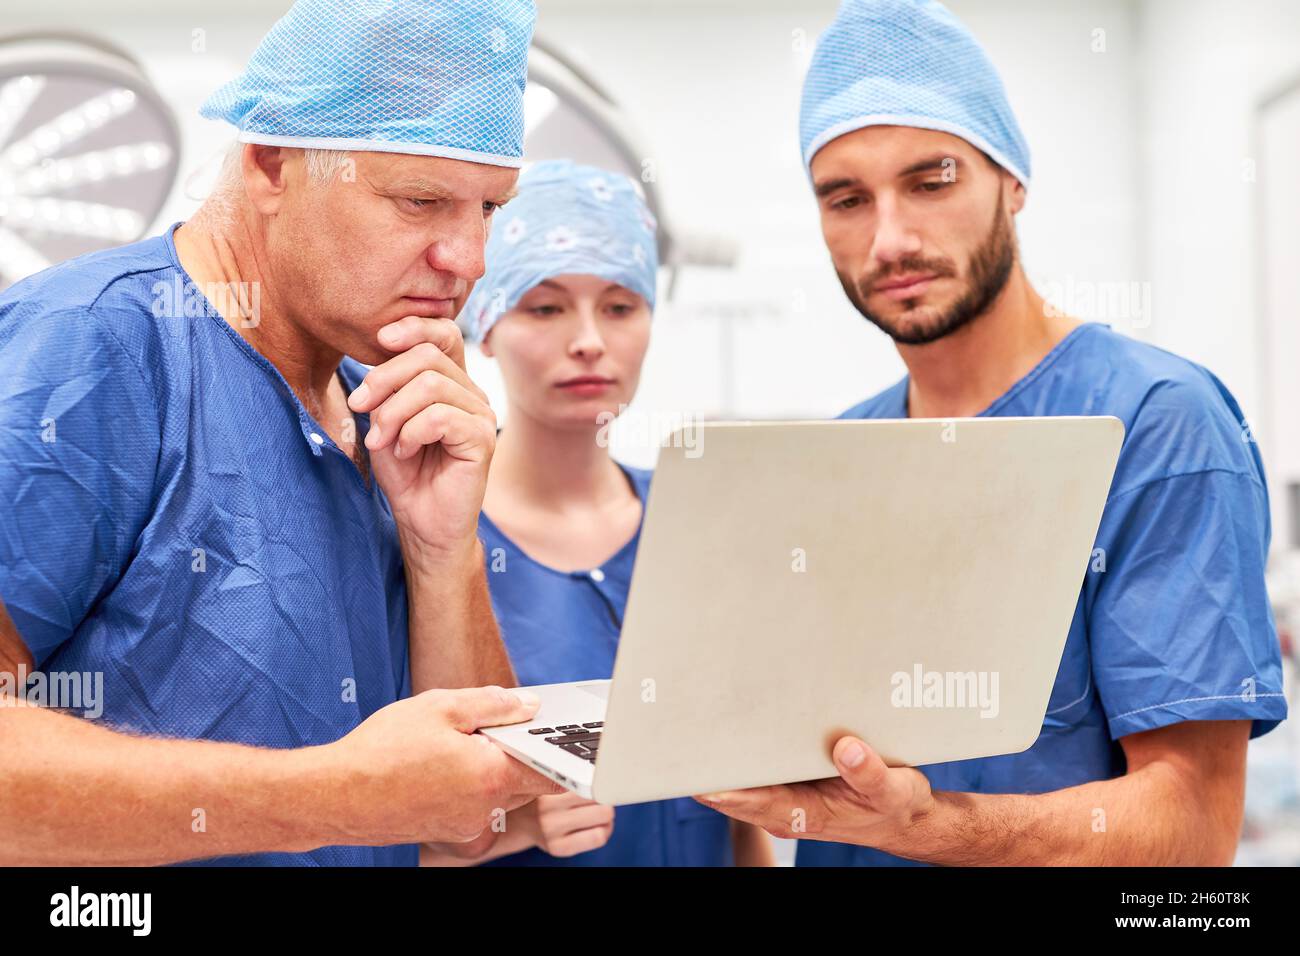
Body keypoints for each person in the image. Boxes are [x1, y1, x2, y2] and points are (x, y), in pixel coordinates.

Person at [696, 0, 1288, 865]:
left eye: (931, 181)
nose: (890, 239)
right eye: (847, 198)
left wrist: (926, 827)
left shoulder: (1157, 425)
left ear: (1012, 178)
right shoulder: (841, 456)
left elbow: (1191, 828)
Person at [0, 0, 564, 866]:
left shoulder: (385, 409)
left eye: (488, 207)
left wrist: (443, 550)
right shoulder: (97, 345)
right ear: (271, 164)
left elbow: (466, 829)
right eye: (420, 201)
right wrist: (339, 798)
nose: (470, 259)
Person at [421, 160, 773, 866]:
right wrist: (515, 827)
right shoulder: (432, 536)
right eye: (545, 307)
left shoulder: (700, 521)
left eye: (619, 306)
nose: (588, 340)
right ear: (484, 326)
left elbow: (740, 807)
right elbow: (375, 823)